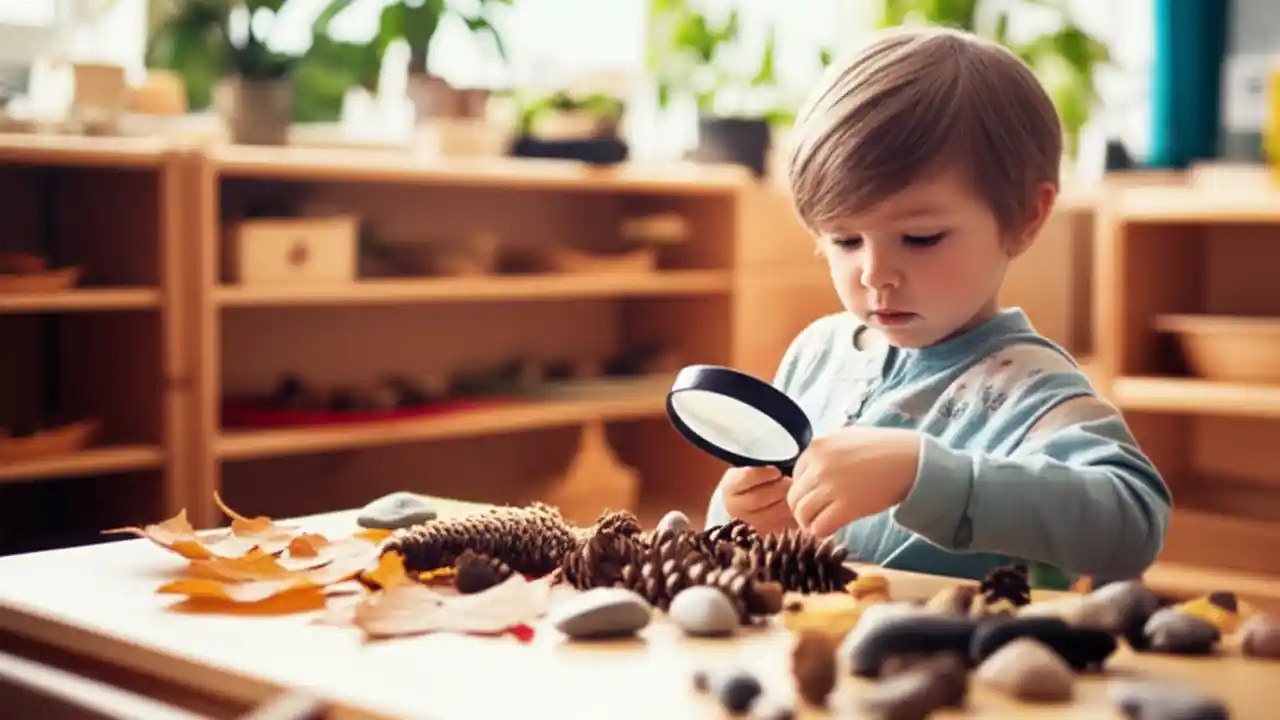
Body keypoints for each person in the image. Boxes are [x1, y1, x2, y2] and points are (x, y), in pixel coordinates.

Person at [704, 26, 1171, 587]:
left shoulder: (1029, 385)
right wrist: (740, 513)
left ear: (1026, 218)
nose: (875, 274)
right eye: (845, 240)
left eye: (921, 238)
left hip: (962, 663)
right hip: (819, 658)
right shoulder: (816, 354)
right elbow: (744, 538)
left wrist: (925, 475)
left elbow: (1134, 521)